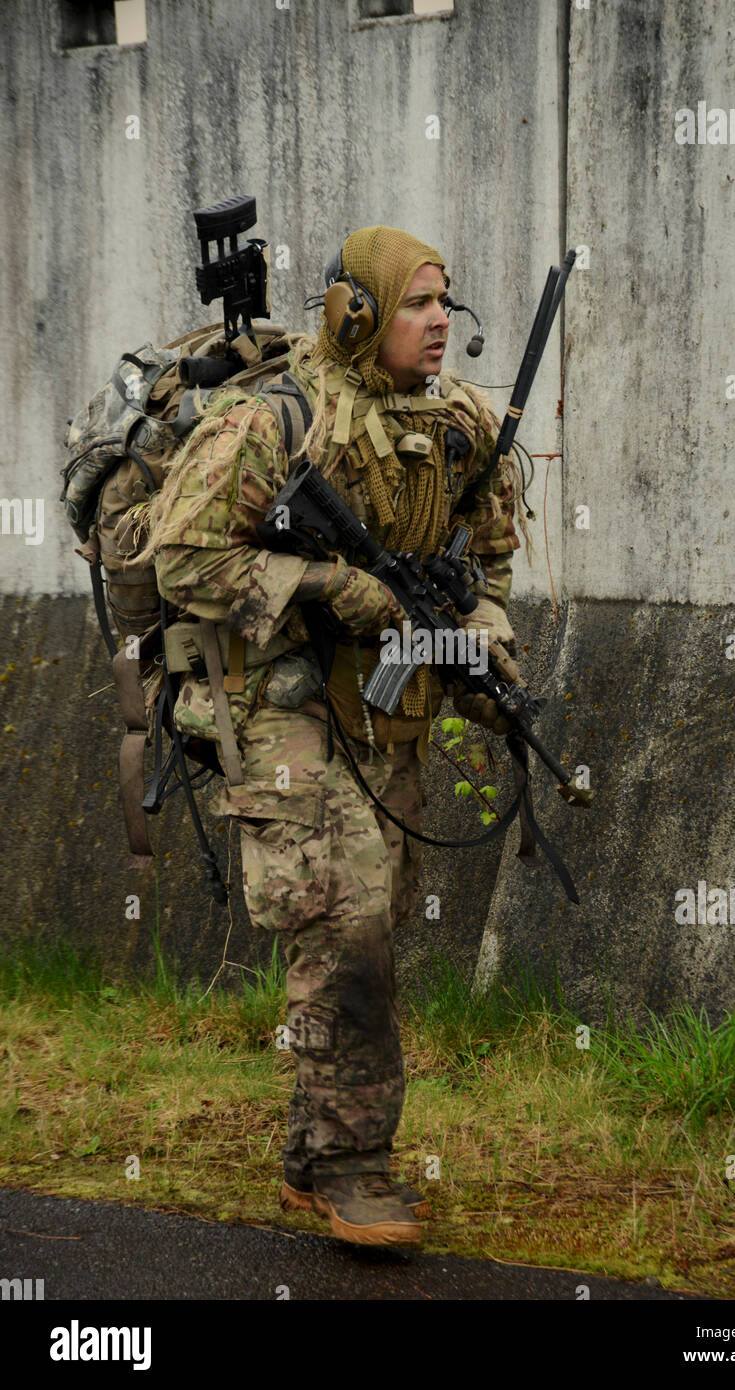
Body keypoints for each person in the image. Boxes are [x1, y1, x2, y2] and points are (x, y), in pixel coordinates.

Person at [140, 225, 528, 1246]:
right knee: (347, 920)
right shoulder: (277, 422)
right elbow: (184, 561)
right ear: (354, 313)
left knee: (365, 920)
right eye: (414, 302)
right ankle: (358, 1167)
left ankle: (312, 1154)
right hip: (277, 696)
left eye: (446, 301)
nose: (439, 319)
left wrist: (484, 647)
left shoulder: (465, 428)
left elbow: (487, 574)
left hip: (383, 705)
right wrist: (329, 584)